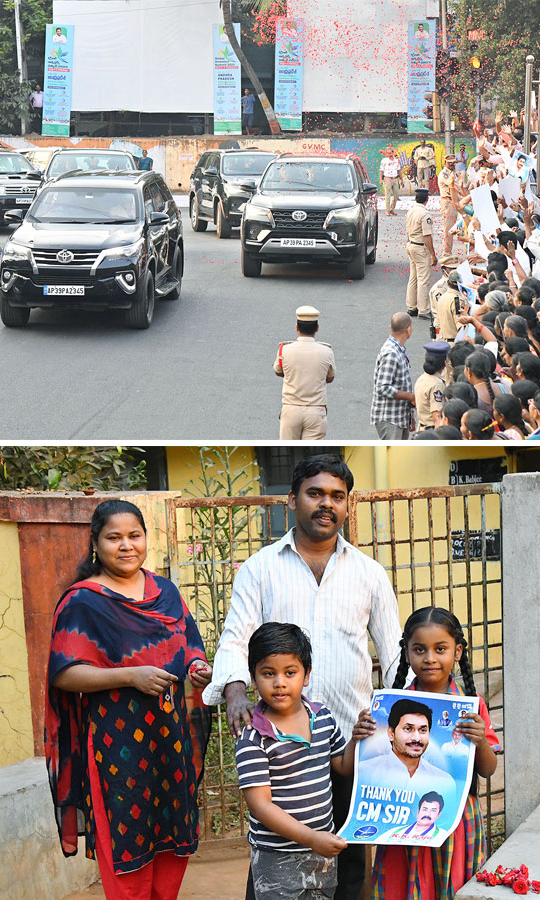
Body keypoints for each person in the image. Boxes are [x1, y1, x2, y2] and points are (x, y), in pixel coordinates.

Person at [202, 454, 401, 900]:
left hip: (349, 745)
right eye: (315, 493)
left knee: (348, 869)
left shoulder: (369, 573)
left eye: (337, 496)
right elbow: (237, 638)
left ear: (349, 505)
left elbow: (394, 658)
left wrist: (423, 716)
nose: (326, 504)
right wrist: (236, 691)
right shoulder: (261, 567)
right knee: (276, 868)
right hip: (284, 758)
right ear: (292, 500)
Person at [46, 499, 213, 900]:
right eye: (114, 537)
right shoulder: (83, 601)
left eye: (134, 535)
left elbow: (190, 646)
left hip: (171, 741)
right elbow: (64, 673)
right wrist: (129, 677)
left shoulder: (166, 592)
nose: (126, 545)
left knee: (173, 839)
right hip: (115, 747)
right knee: (126, 842)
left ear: (145, 539)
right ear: (96, 544)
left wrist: (198, 668)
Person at [366, 607, 500, 898]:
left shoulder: (470, 705)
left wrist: (480, 741)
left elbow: (488, 770)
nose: (429, 658)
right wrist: (365, 734)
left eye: (440, 649)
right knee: (403, 888)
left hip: (456, 821)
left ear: (458, 651)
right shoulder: (390, 707)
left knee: (452, 887)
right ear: (407, 653)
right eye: (419, 649)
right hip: (401, 820)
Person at [235, 623, 370, 900]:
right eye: (268, 673)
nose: (280, 682)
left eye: (290, 672)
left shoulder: (321, 717)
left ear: (306, 675)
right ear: (253, 677)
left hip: (322, 855)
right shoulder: (253, 736)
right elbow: (260, 805)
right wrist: (311, 838)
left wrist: (356, 740)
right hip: (277, 859)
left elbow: (342, 766)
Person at [355, 699, 457, 802]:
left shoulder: (444, 782)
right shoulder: (365, 772)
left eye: (422, 730)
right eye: (408, 729)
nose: (417, 738)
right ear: (391, 733)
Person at [275, 305, 335, 439]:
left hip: (291, 409)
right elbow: (330, 377)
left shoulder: (284, 350)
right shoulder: (327, 352)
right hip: (316, 410)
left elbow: (278, 371)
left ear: (297, 327)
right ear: (317, 328)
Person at [371, 313, 417, 440]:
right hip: (390, 418)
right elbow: (383, 388)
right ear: (408, 330)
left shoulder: (397, 348)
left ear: (390, 327)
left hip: (399, 416)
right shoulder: (391, 353)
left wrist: (409, 415)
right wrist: (410, 397)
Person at [406, 188, 437, 319]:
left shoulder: (411, 211)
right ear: (427, 199)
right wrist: (433, 254)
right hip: (420, 247)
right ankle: (423, 310)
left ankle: (411, 307)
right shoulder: (425, 214)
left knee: (413, 277)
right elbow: (427, 236)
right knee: (423, 279)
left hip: (411, 244)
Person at [381, 793, 449, 843]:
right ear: (418, 811)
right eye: (425, 809)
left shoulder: (442, 836)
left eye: (433, 811)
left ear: (439, 814)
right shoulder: (394, 831)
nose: (427, 814)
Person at [414, 341, 450, 431]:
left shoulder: (422, 378)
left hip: (422, 428)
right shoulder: (437, 384)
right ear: (445, 362)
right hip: (432, 431)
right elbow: (437, 416)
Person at [438, 159, 457, 255]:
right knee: (448, 228)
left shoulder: (453, 172)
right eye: (449, 162)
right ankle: (447, 252)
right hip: (448, 201)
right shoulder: (444, 174)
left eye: (453, 162)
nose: (451, 164)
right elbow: (452, 184)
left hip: (454, 201)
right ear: (445, 163)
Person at [381, 149, 402, 215]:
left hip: (395, 178)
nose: (389, 154)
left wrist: (402, 180)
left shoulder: (396, 160)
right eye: (388, 153)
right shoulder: (384, 160)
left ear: (393, 153)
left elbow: (399, 171)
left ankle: (391, 208)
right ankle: (387, 210)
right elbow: (381, 171)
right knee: (388, 195)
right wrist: (381, 180)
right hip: (387, 178)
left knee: (396, 195)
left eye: (390, 153)